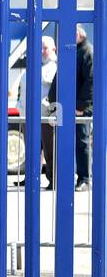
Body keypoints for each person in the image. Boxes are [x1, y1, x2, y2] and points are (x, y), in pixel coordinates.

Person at [49, 26, 93, 191]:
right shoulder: (72, 52)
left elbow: (91, 81)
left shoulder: (87, 52)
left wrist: (81, 106)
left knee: (82, 142)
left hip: (79, 108)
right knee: (66, 142)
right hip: (66, 106)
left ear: (79, 34)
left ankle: (84, 179)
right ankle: (69, 177)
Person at [16, 35, 57, 190]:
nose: (41, 51)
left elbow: (57, 93)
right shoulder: (33, 66)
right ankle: (31, 178)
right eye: (39, 47)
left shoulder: (56, 67)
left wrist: (53, 114)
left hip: (46, 116)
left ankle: (53, 179)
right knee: (31, 149)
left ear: (53, 49)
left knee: (50, 150)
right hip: (28, 115)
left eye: (45, 48)